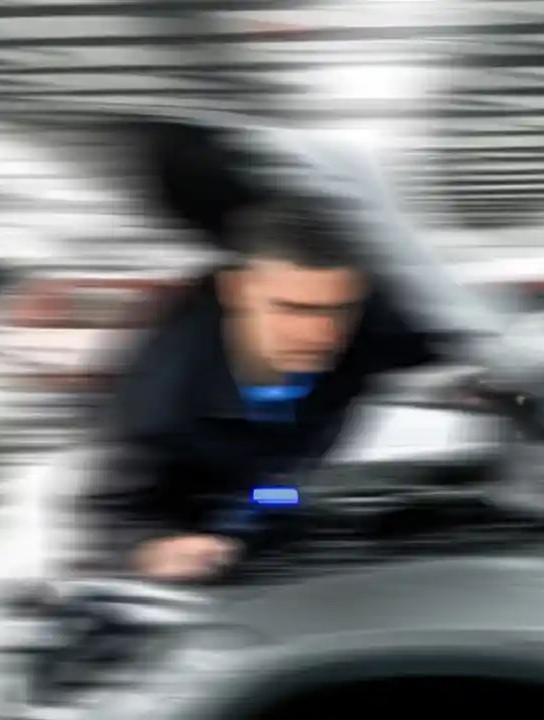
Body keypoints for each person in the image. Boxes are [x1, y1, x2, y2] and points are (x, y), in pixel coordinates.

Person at [75, 190, 452, 582]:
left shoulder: (361, 312)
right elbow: (107, 512)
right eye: (292, 309)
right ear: (237, 290)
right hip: (204, 525)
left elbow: (456, 336)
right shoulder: (157, 402)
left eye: (338, 309)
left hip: (281, 492)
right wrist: (150, 550)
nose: (320, 335)